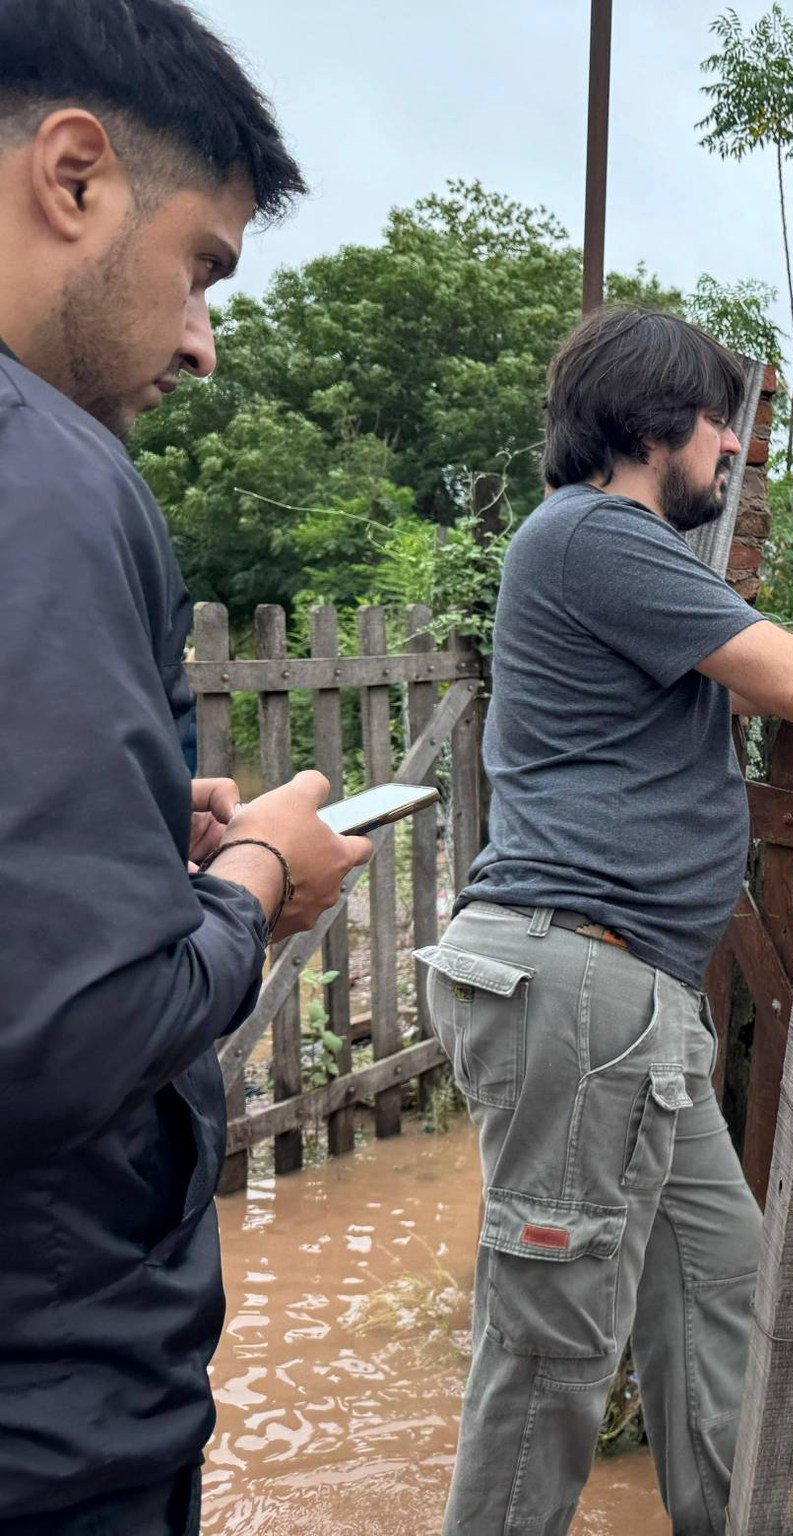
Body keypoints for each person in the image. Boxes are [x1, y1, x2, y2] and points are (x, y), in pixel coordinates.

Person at [0, 3, 372, 1531]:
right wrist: (252, 882)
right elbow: (68, 1037)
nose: (207, 341)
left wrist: (145, 848)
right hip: (49, 1427)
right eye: (205, 265)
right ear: (74, 175)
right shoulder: (47, 473)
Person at [418, 306, 793, 1536]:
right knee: (552, 1350)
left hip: (623, 999)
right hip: (580, 978)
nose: (732, 454)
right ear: (659, 425)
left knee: (721, 1288)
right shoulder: (596, 532)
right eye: (721, 425)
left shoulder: (601, 546)